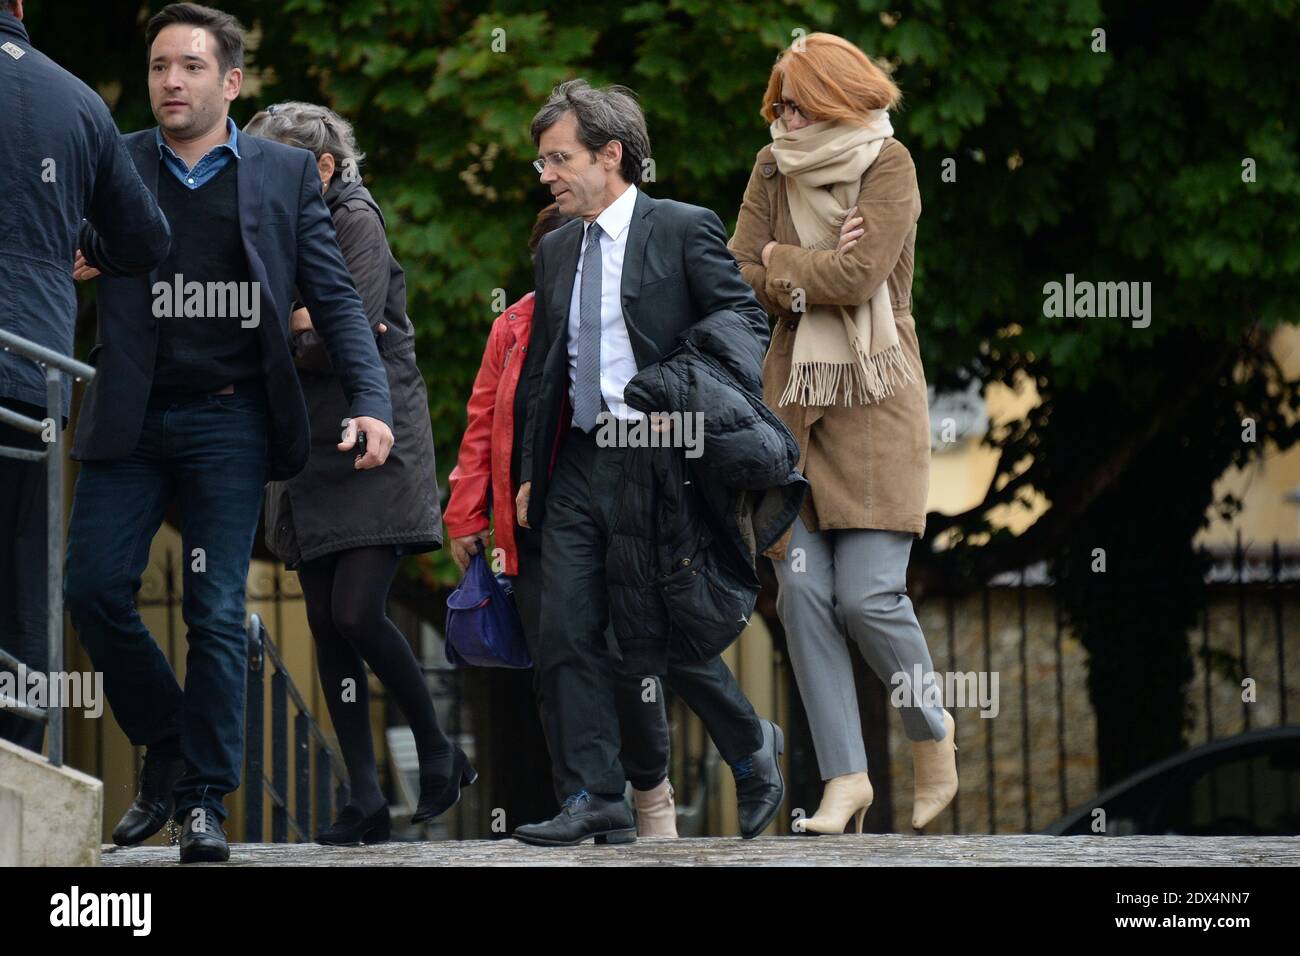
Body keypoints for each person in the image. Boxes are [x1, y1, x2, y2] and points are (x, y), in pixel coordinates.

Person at [63, 3, 394, 864]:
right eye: (160, 67)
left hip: (230, 417)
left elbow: (338, 303)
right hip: (130, 418)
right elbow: (59, 235)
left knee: (212, 611)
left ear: (231, 82)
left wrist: (373, 403)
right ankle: (168, 744)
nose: (172, 81)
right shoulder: (117, 159)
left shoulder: (283, 175)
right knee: (93, 591)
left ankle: (204, 801)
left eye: (192, 67)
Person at [511, 80, 785, 847]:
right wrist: (530, 471)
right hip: (578, 462)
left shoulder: (683, 228)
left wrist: (678, 382)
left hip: (659, 458)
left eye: (559, 158)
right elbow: (543, 370)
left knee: (647, 641)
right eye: (543, 162)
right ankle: (596, 795)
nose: (548, 174)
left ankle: (751, 743)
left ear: (611, 155)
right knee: (563, 629)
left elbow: (742, 320)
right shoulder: (558, 249)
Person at [727, 32, 958, 834]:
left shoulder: (889, 166)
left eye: (796, 105)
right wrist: (803, 264)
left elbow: (863, 278)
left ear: (834, 97)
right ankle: (846, 778)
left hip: (875, 398)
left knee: (868, 595)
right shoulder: (769, 166)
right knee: (800, 594)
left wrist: (782, 262)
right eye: (777, 106)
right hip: (792, 399)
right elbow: (738, 270)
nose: (783, 120)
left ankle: (932, 730)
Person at [245, 101, 469, 846]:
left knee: (355, 611)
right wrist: (294, 320)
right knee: (322, 623)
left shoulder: (355, 220)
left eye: (267, 166)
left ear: (322, 168)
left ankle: (438, 749)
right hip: (304, 448)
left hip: (371, 440)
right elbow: (270, 328)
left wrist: (298, 324)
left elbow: (342, 339)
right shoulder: (272, 230)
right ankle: (366, 798)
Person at [444, 202, 678, 839]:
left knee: (629, 655)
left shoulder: (625, 321)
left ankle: (652, 792)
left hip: (616, 491)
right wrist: (466, 512)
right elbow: (482, 426)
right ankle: (585, 800)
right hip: (535, 517)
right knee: (558, 655)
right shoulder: (514, 326)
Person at [0, 0, 170, 752]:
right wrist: (80, 238)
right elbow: (145, 238)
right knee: (23, 588)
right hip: (32, 374)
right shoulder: (75, 99)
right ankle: (22, 779)